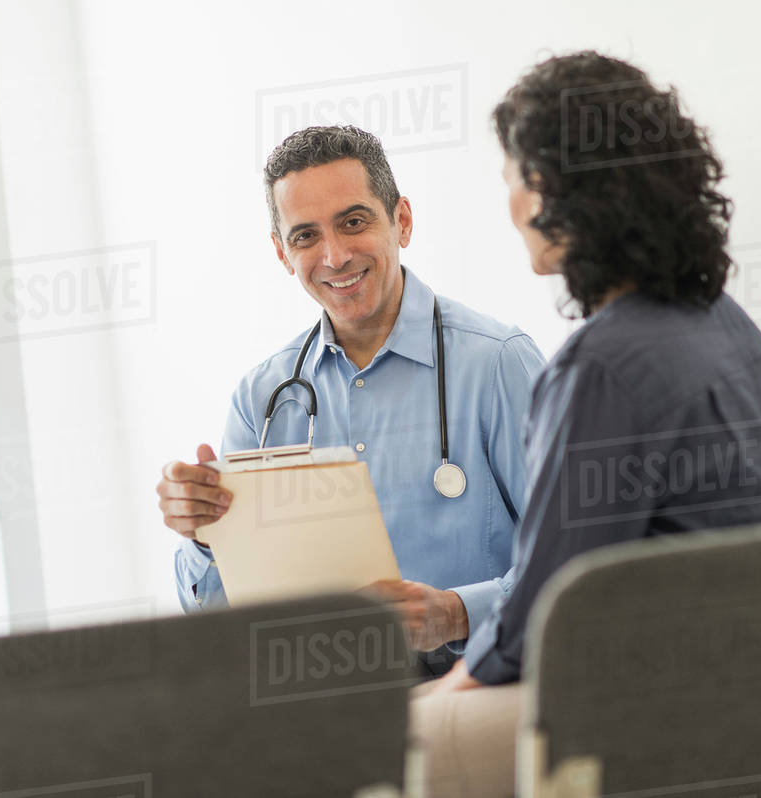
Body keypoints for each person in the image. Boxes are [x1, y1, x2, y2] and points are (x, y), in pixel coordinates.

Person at [409, 51, 761, 796]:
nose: (510, 206)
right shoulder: (727, 326)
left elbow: (542, 619)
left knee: (357, 752)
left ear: (570, 194)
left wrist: (434, 703)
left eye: (517, 179)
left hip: (657, 720)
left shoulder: (602, 369)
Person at [155, 125, 545, 670]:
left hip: (474, 687)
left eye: (353, 222)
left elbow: (573, 566)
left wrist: (457, 613)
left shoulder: (498, 363)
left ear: (401, 221)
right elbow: (223, 617)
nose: (334, 256)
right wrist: (202, 538)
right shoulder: (262, 399)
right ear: (281, 252)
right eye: (305, 236)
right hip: (325, 709)